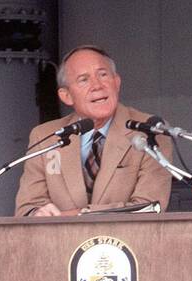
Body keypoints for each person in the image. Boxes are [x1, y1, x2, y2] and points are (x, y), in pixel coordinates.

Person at [14, 45, 174, 218]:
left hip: (127, 242)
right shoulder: (45, 136)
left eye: (103, 75)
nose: (97, 85)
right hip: (61, 243)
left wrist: (75, 215)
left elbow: (149, 208)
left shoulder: (150, 131)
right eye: (84, 79)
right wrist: (38, 213)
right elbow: (26, 210)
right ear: (66, 95)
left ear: (116, 82)